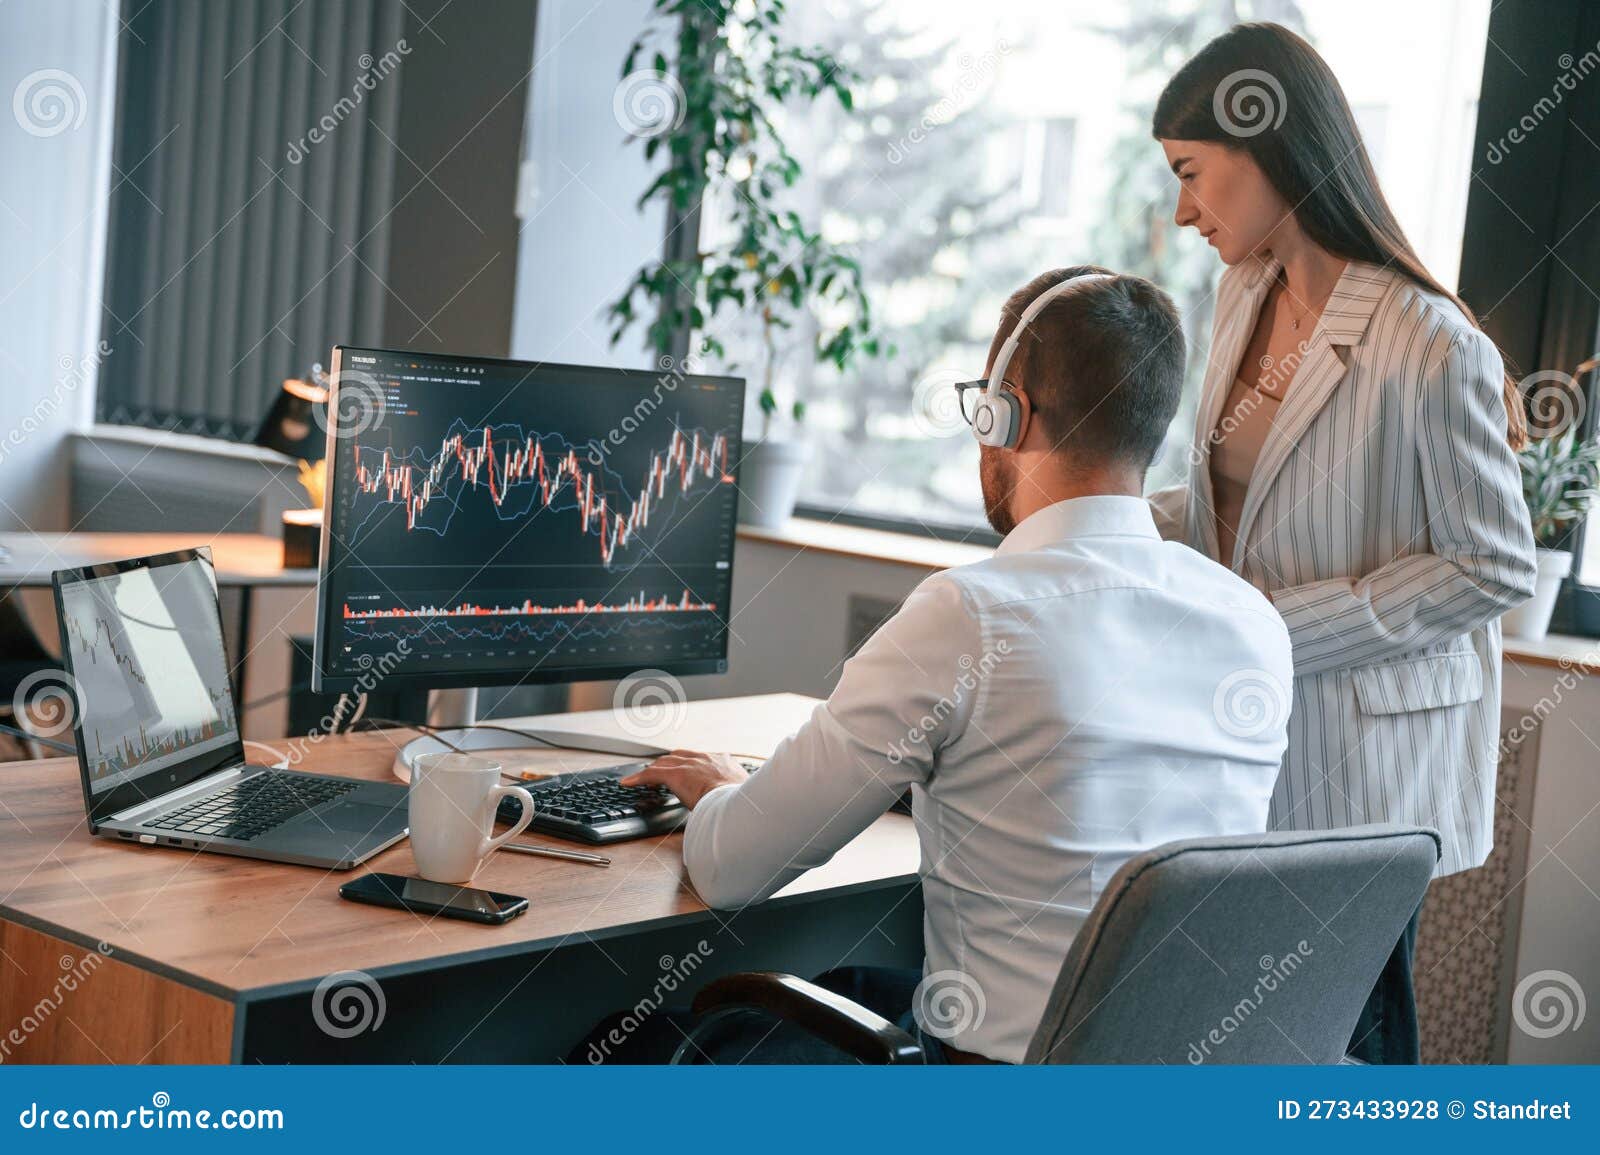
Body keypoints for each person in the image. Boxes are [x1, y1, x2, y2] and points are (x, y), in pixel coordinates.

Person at [617, 267, 1294, 1064]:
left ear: (1011, 416)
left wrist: (726, 790)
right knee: (863, 978)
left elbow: (731, 869)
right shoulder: (1252, 621)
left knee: (630, 1040)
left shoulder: (969, 614)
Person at [1148, 23, 1537, 1063]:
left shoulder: (1430, 343)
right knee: (1244, 1044)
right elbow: (1223, 497)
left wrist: (1278, 631)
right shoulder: (1244, 293)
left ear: (1267, 148)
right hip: (1244, 741)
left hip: (1368, 767)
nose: (1182, 211)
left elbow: (1493, 564)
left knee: (1347, 1052)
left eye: (1191, 175)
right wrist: (1090, 527)